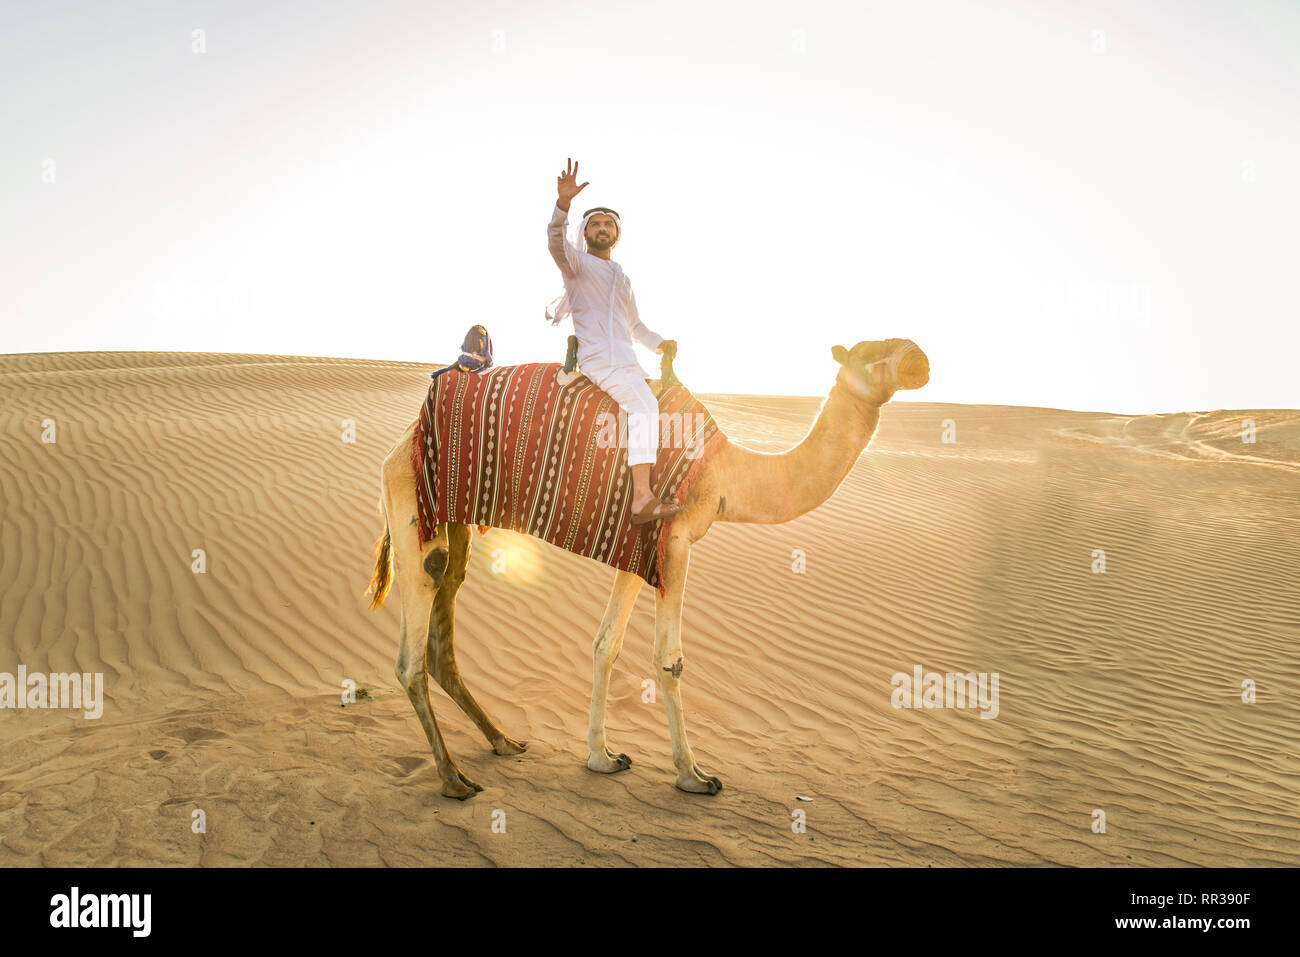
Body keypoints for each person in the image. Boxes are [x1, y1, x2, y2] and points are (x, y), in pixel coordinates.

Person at [545, 158, 681, 525]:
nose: (602, 229)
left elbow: (634, 325)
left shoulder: (622, 278)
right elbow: (556, 243)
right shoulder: (576, 266)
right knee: (644, 407)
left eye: (608, 225)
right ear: (586, 233)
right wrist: (563, 205)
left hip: (627, 363)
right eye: (595, 225)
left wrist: (659, 345)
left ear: (616, 234)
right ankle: (641, 500)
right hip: (601, 363)